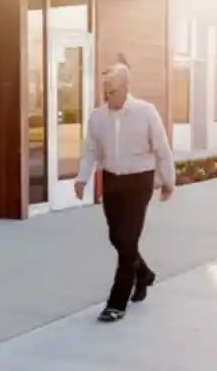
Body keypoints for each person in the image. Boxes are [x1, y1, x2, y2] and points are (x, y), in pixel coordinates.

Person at [74, 63, 176, 323]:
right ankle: (143, 274)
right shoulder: (97, 117)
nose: (108, 96)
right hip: (112, 181)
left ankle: (116, 303)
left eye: (113, 90)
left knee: (127, 238)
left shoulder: (145, 112)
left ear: (126, 87)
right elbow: (90, 151)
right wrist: (82, 179)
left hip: (138, 181)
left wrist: (168, 180)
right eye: (105, 91)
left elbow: (162, 149)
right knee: (117, 238)